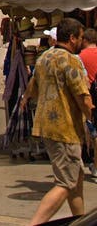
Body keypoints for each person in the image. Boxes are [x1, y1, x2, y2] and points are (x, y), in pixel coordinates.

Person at [21, 17, 93, 225]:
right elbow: (83, 96)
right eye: (80, 37)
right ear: (72, 38)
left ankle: (80, 221)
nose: (81, 41)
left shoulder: (44, 57)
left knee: (75, 180)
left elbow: (31, 90)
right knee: (65, 184)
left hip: (47, 126)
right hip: (66, 129)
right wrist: (92, 117)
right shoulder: (70, 60)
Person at [80, 28, 97, 178]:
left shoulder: (80, 57)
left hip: (89, 98)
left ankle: (93, 163)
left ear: (85, 40)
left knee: (91, 133)